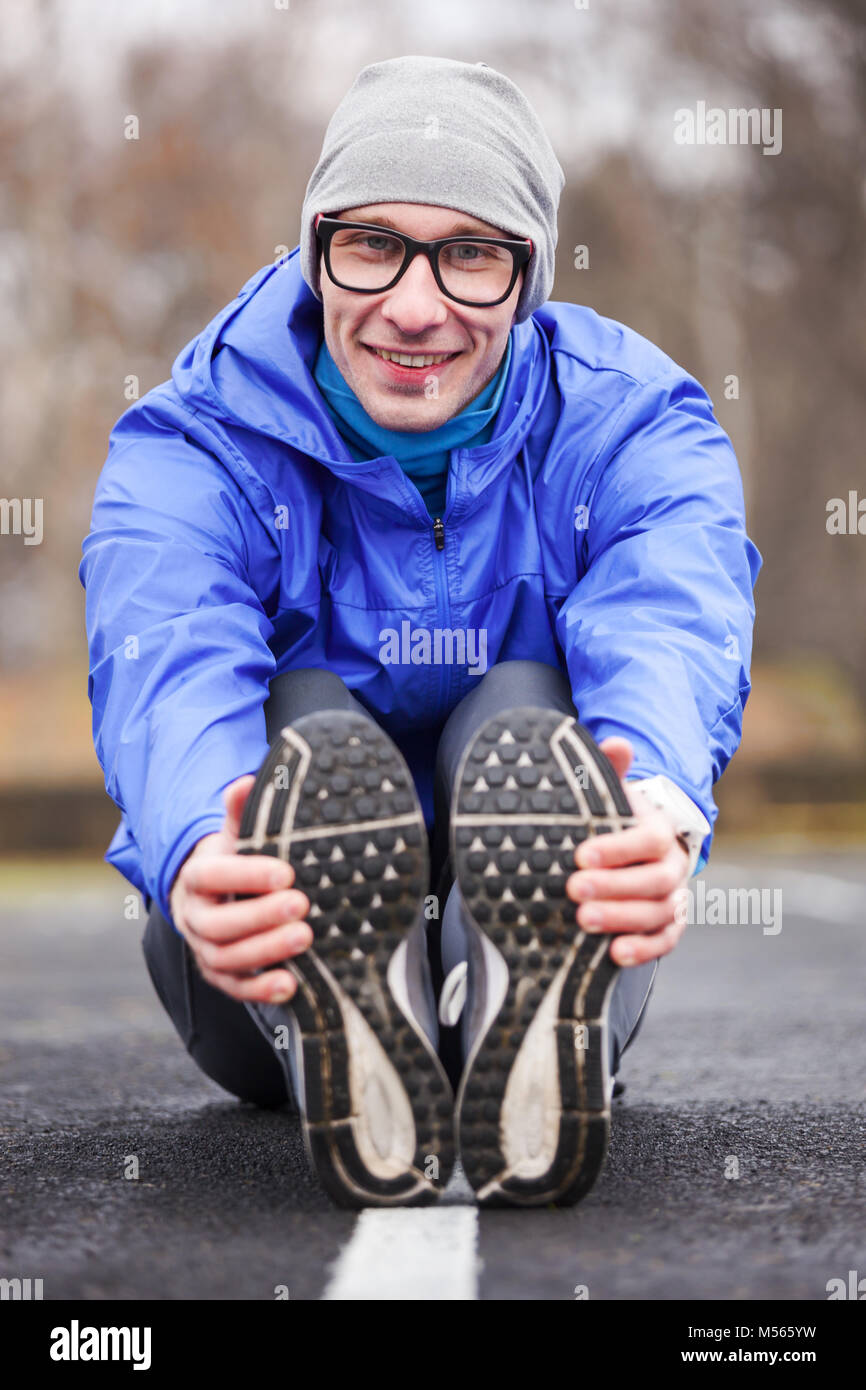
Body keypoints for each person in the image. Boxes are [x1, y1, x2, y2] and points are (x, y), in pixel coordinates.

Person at [80, 56, 760, 1210]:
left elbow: (671, 601)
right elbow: (166, 640)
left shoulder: (628, 415)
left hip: (559, 869)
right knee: (297, 721)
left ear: (527, 275)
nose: (411, 303)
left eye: (470, 254)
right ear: (314, 248)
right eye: (371, 242)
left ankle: (524, 999)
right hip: (256, 930)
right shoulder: (193, 440)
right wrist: (202, 842)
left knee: (528, 709)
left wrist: (654, 805)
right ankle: (338, 1003)